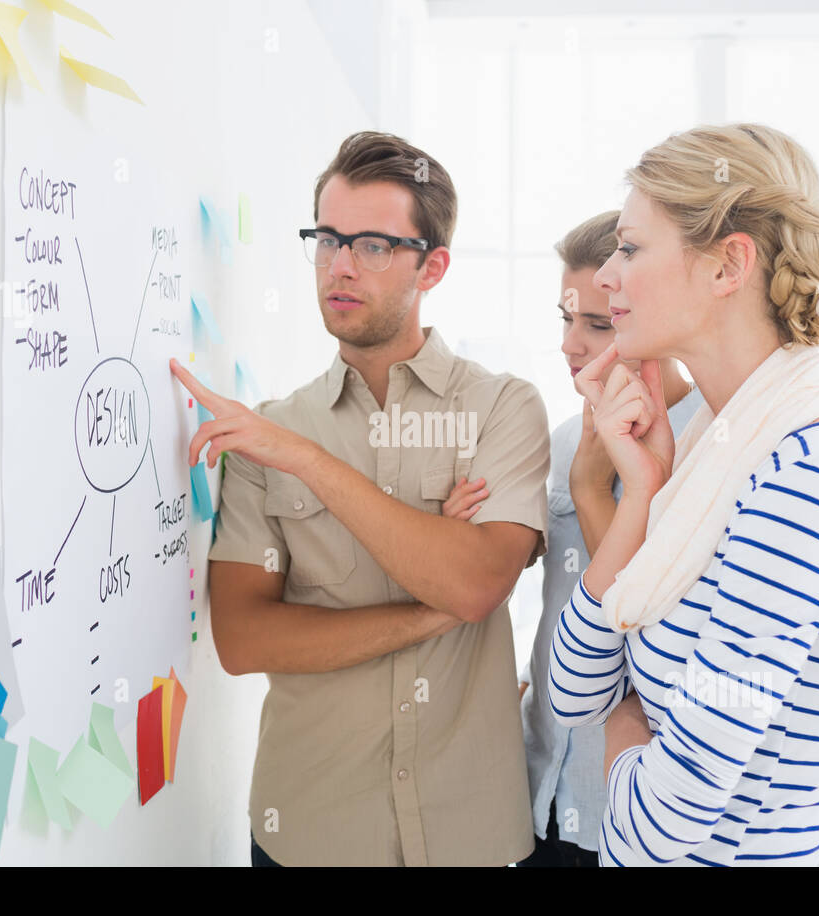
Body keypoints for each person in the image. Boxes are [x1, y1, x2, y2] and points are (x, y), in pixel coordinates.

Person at [169, 131, 551, 866]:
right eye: (328, 239)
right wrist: (429, 610)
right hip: (310, 835)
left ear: (431, 266)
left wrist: (310, 465)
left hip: (468, 837)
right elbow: (245, 641)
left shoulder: (504, 407)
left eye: (373, 244)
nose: (340, 266)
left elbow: (475, 582)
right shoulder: (267, 433)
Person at [547, 123, 819, 866]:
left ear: (729, 265)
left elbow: (661, 823)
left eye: (630, 248)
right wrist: (640, 495)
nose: (607, 278)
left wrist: (628, 724)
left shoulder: (816, 482)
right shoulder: (710, 453)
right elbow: (570, 696)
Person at [443, 210, 703, 866]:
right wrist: (461, 533)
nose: (569, 344)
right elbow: (525, 580)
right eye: (566, 318)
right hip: (541, 791)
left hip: (630, 803)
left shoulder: (709, 444)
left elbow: (652, 615)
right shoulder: (559, 441)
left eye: (597, 323)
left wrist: (592, 492)